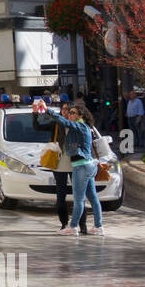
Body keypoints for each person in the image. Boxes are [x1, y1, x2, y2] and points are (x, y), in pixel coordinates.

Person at [40, 99, 105, 236]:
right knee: (92, 197)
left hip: (81, 167)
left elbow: (64, 122)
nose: (69, 114)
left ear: (80, 115)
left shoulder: (80, 126)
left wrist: (48, 110)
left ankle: (73, 226)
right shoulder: (83, 126)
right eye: (69, 112)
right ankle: (98, 226)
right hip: (88, 165)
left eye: (72, 112)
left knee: (79, 199)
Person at [33, 100, 85, 234]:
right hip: (60, 165)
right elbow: (38, 127)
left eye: (69, 110)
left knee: (79, 196)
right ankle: (64, 224)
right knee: (61, 196)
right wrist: (34, 113)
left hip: (76, 165)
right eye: (63, 109)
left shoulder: (77, 125)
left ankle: (82, 225)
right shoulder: (57, 124)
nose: (66, 112)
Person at [126, 89, 145, 153]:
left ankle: (141, 144)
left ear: (135, 95)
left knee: (139, 131)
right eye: (130, 94)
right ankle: (136, 142)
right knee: (133, 131)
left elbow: (141, 110)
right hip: (130, 118)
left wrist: (139, 117)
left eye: (132, 94)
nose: (131, 95)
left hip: (136, 117)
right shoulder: (129, 101)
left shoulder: (138, 101)